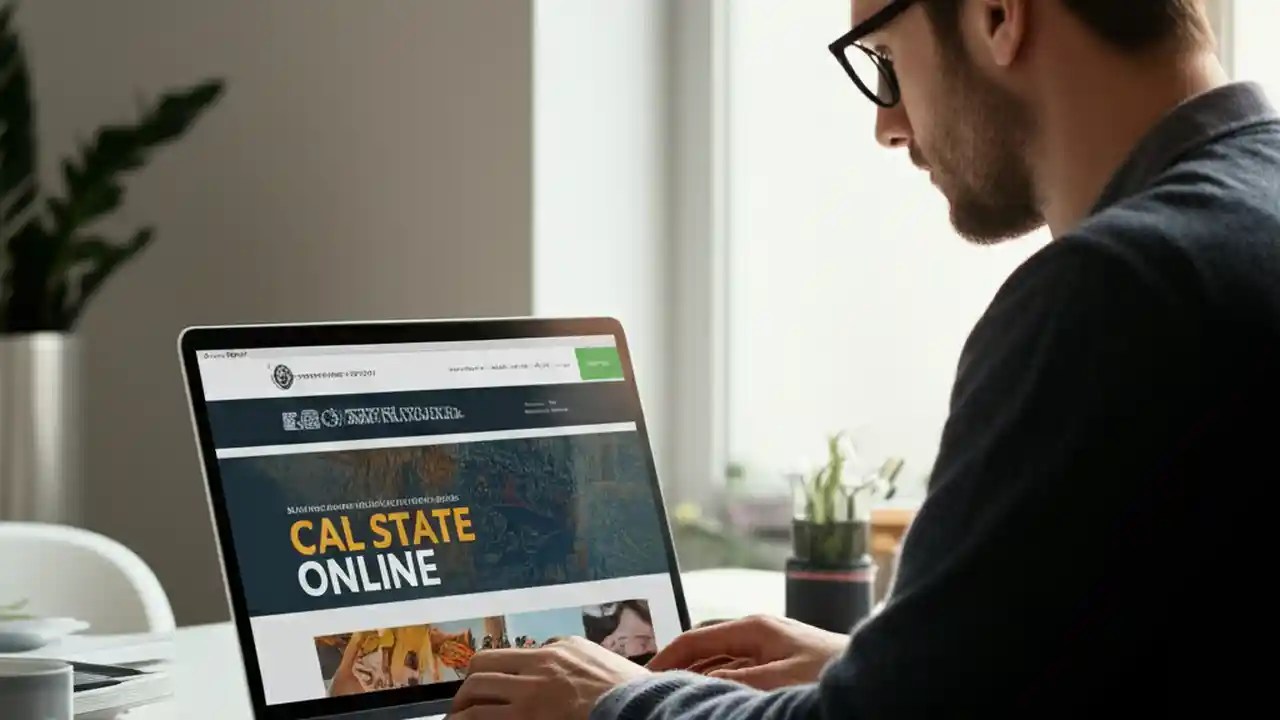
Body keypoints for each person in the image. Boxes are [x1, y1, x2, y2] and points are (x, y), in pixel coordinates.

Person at [449, 0, 1280, 717]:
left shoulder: (1115, 294)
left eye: (884, 59)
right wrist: (882, 665)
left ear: (998, 14)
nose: (888, 124)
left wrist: (608, 700)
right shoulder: (1247, 222)